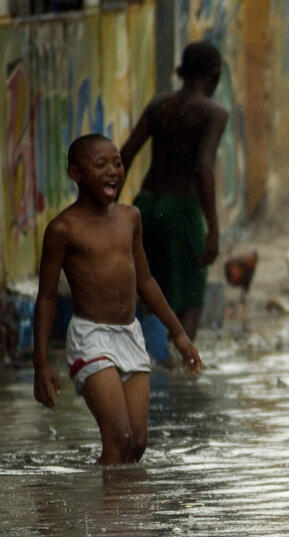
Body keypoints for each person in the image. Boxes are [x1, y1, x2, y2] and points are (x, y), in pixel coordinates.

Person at [32, 135, 202, 466]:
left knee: (137, 444)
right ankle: (112, 500)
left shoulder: (130, 218)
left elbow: (146, 281)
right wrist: (41, 362)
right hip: (91, 338)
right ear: (75, 174)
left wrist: (179, 335)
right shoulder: (63, 228)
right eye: (101, 165)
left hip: (130, 335)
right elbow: (48, 296)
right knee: (119, 438)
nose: (113, 171)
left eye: (117, 163)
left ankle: (121, 499)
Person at [120, 40, 229, 341]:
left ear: (182, 72)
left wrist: (104, 211)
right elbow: (204, 167)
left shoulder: (159, 105)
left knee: (148, 287)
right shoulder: (214, 113)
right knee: (191, 298)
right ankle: (183, 365)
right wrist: (214, 229)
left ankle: (142, 359)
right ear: (215, 77)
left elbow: (126, 153)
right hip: (180, 211)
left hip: (144, 206)